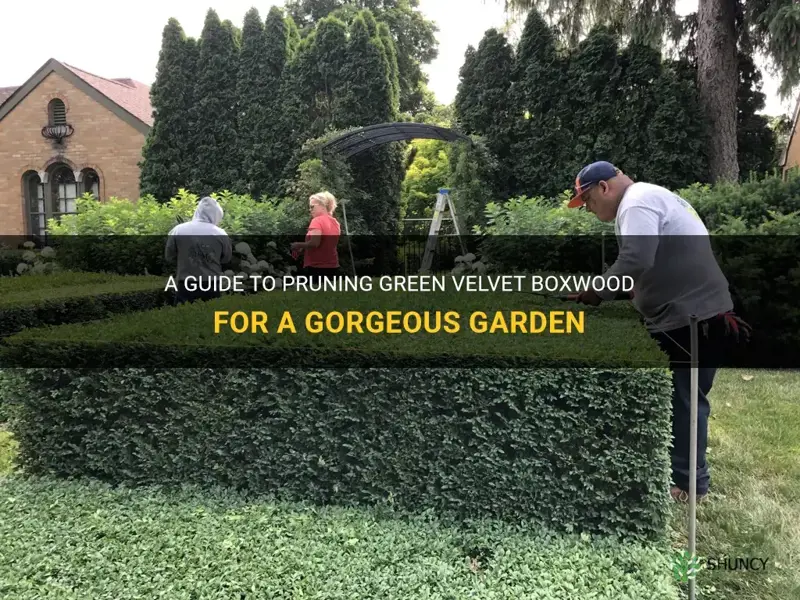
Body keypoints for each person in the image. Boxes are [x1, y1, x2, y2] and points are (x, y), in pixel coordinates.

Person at [567, 161, 750, 503]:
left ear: (604, 187)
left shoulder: (636, 202)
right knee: (678, 398)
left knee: (686, 400)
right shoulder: (650, 197)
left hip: (693, 318)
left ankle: (690, 486)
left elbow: (637, 258)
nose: (589, 211)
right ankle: (676, 473)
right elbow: (654, 263)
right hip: (694, 313)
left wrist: (596, 292)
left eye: (588, 201)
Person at [164, 196, 232, 305]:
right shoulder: (220, 234)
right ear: (217, 214)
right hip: (212, 286)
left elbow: (169, 256)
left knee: (184, 317)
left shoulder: (178, 231)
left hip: (186, 285)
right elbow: (226, 259)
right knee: (211, 317)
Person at [291, 191, 341, 282]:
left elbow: (315, 243)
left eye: (312, 206)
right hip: (333, 265)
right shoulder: (335, 222)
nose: (310, 209)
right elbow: (327, 244)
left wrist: (297, 245)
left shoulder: (316, 221)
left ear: (322, 206)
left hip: (317, 267)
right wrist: (304, 248)